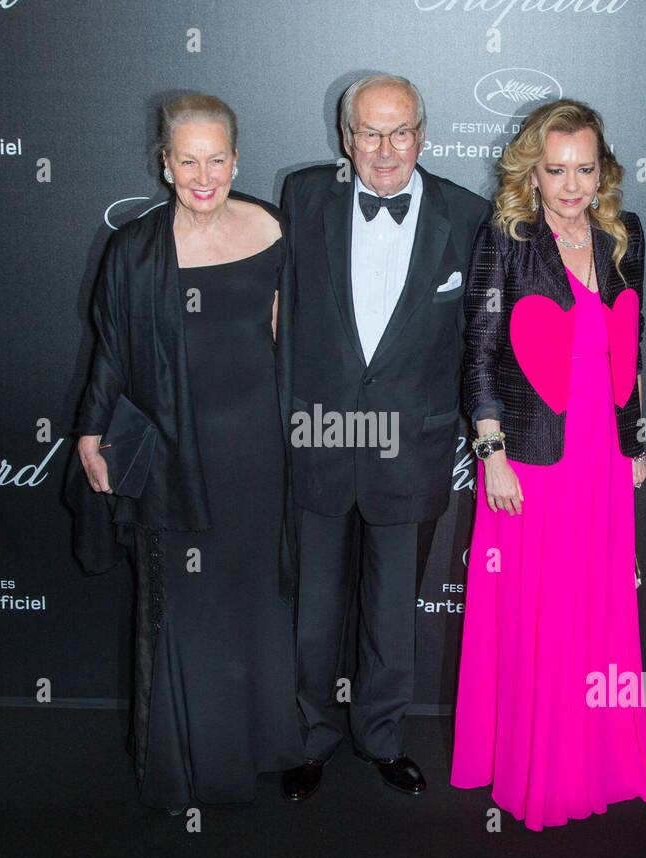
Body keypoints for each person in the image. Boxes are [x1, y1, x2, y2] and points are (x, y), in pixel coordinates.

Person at [73, 93, 301, 812]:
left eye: (217, 159)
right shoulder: (134, 249)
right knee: (184, 606)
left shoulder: (271, 228)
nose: (204, 176)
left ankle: (264, 744)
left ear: (236, 159)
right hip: (173, 450)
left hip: (261, 453)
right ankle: (187, 762)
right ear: (164, 164)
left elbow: (291, 337)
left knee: (254, 601)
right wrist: (89, 430)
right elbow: (110, 349)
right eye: (187, 160)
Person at [452, 98, 646, 830]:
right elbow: (477, 357)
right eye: (556, 170)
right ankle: (535, 767)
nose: (571, 185)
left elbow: (632, 346)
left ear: (603, 170)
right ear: (530, 173)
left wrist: (634, 443)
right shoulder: (506, 238)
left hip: (601, 463)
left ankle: (599, 758)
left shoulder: (624, 235)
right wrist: (493, 459)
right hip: (531, 465)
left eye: (585, 169)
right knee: (534, 616)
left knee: (597, 611)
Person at [279, 74, 490, 801]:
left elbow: (483, 342)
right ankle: (310, 739)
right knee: (312, 615)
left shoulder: (468, 216)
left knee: (394, 614)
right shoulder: (303, 197)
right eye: (369, 132)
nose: (385, 149)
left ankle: (381, 737)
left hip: (413, 451)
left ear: (423, 136)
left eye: (400, 132)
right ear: (346, 138)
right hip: (320, 441)